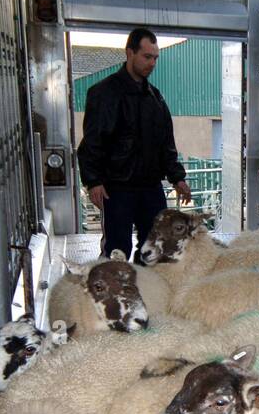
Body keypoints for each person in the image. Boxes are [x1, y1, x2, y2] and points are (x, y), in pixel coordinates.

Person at [76, 27, 193, 259]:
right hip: (116, 188)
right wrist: (94, 181)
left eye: (155, 58)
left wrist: (177, 177)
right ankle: (114, 293)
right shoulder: (104, 93)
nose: (152, 63)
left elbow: (165, 143)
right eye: (146, 57)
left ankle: (145, 292)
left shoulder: (155, 98)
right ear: (130, 53)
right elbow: (92, 141)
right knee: (117, 250)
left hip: (150, 186)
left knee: (155, 247)